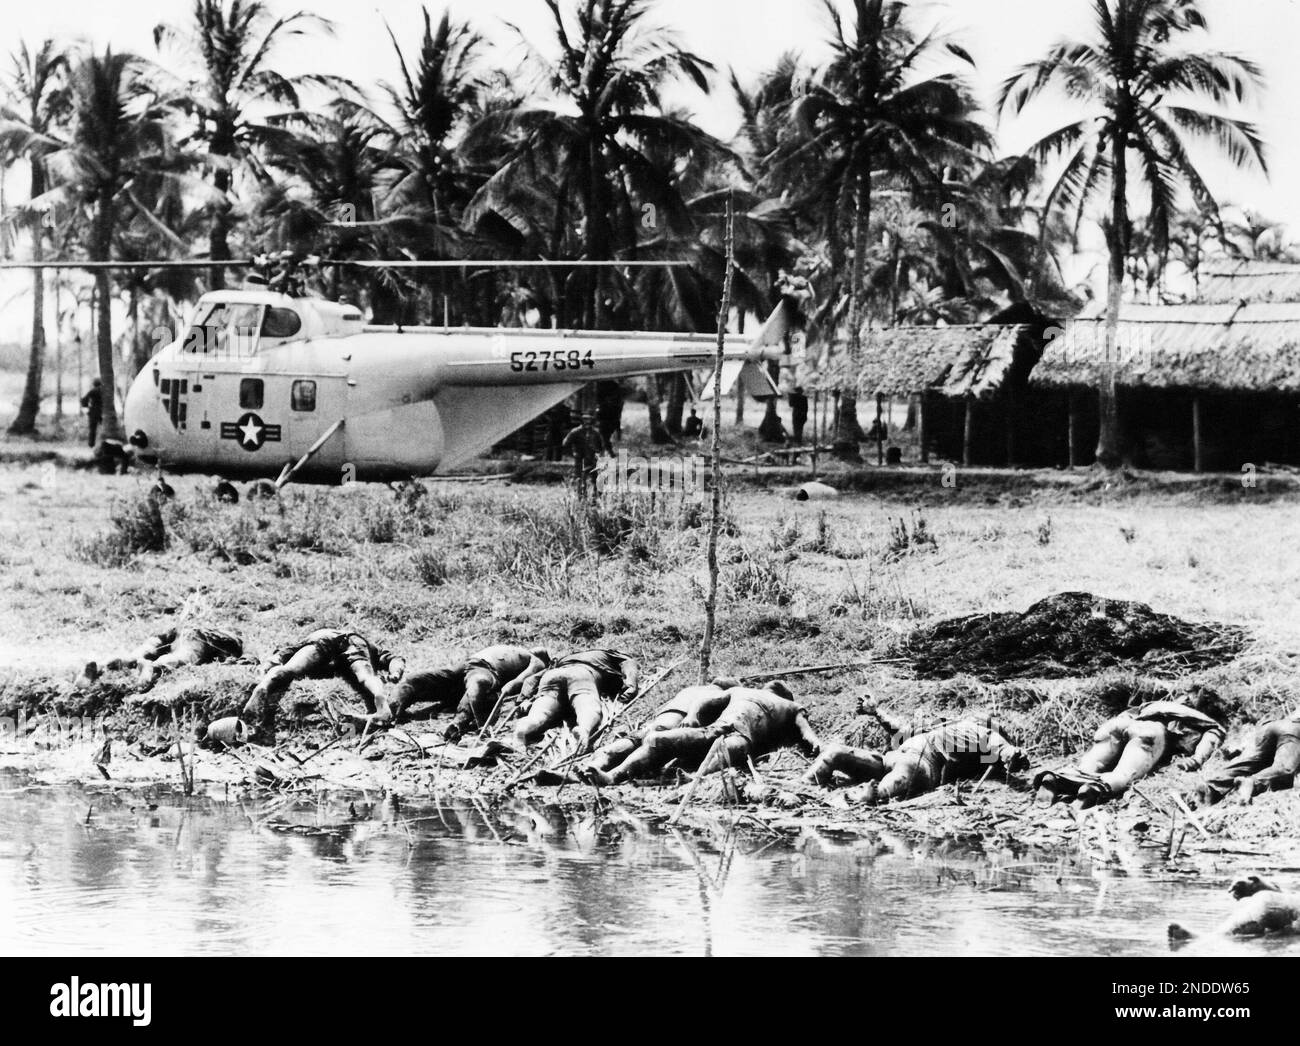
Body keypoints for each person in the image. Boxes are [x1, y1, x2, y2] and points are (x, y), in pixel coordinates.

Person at [584, 681, 820, 785]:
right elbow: (807, 733)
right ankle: (612, 777)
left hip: (731, 733)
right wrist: (692, 717)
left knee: (657, 739)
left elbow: (705, 701)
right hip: (726, 731)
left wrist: (693, 716)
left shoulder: (784, 704)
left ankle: (695, 779)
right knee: (657, 739)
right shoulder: (788, 705)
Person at [1034, 691, 1226, 808]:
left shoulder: (1151, 705)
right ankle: (1093, 789)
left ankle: (1057, 779)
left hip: (1121, 724)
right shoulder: (1196, 716)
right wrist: (1198, 759)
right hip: (1151, 731)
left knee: (1091, 764)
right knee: (1124, 773)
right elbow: (1214, 733)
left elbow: (1120, 722)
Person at [805, 704, 1028, 803]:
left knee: (904, 770)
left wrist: (1010, 752)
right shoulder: (938, 726)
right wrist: (876, 712)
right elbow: (898, 729)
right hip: (890, 759)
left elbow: (995, 742)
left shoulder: (975, 730)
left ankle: (877, 794)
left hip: (923, 765)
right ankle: (804, 784)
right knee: (836, 751)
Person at [242, 628, 405, 744]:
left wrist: (265, 668)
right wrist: (395, 673)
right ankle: (381, 703)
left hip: (322, 639)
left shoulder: (303, 643)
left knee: (288, 670)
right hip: (353, 642)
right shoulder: (370, 647)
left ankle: (263, 686)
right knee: (366, 677)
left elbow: (278, 658)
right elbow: (395, 659)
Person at [581, 677, 741, 780]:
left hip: (658, 722)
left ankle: (595, 765)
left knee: (633, 740)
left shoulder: (690, 689)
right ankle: (614, 776)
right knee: (652, 748)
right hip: (674, 725)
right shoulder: (717, 695)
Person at [388, 645, 551, 738]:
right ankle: (391, 709)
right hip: (475, 666)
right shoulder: (530, 657)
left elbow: (520, 681)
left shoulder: (534, 660)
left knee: (472, 684)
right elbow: (519, 681)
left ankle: (458, 724)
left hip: (478, 666)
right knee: (418, 680)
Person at [513, 648, 639, 752]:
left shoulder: (562, 660)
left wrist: (524, 699)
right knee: (587, 708)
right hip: (581, 673)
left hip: (553, 674)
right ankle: (584, 730)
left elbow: (531, 680)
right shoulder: (609, 654)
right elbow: (629, 663)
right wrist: (631, 686)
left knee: (539, 715)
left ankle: (521, 731)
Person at [80, 625, 243, 692]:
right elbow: (233, 655)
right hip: (197, 638)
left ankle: (100, 666)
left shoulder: (211, 629)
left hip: (174, 632)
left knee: (135, 656)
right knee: (181, 657)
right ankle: (154, 667)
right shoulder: (230, 639)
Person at [1194, 707, 1300, 805]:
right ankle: (1252, 784)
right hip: (1295, 730)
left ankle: (1211, 787)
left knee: (1255, 763)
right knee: (1284, 768)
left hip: (1274, 725)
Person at [561, 413, 612, 499]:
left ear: (592, 421)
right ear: (581, 421)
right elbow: (565, 443)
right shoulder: (575, 432)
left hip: (592, 459)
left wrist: (600, 455)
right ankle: (581, 498)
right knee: (580, 479)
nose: (587, 422)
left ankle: (596, 498)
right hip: (580, 459)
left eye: (589, 420)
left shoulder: (595, 433)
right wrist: (574, 452)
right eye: (585, 420)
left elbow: (602, 446)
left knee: (596, 479)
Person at [81, 378, 103, 448]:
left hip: (93, 411)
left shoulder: (92, 391)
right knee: (104, 427)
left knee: (92, 429)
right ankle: (105, 442)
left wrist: (86, 407)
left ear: (94, 384)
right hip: (102, 411)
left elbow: (83, 399)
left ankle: (91, 444)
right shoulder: (104, 391)